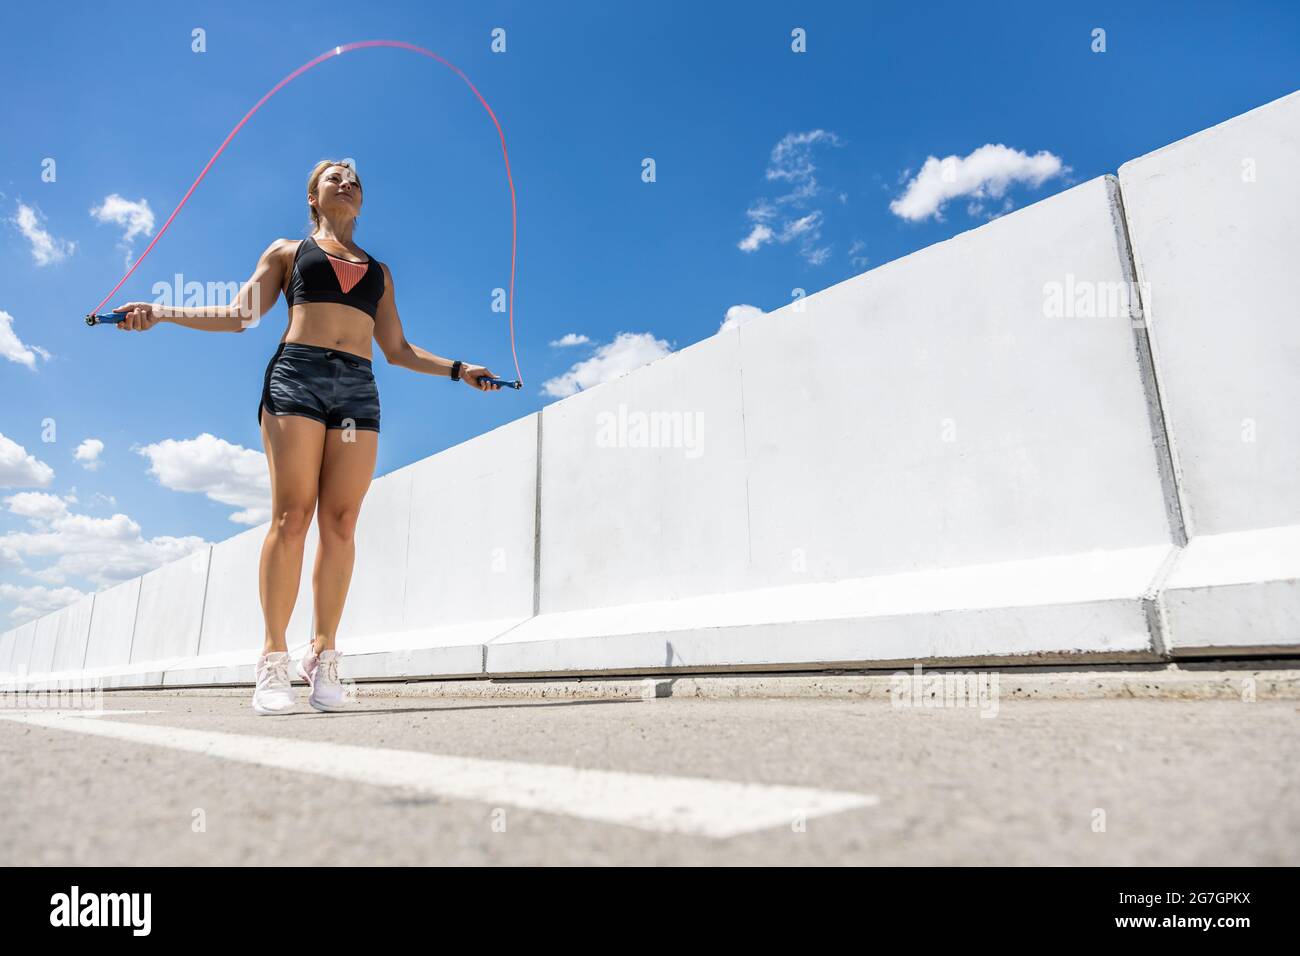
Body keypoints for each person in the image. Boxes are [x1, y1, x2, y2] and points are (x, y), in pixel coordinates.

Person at [110, 159, 501, 715]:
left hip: (357, 389)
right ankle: (272, 660)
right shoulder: (288, 252)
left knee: (341, 521)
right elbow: (239, 315)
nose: (347, 183)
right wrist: (161, 311)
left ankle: (322, 655)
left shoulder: (380, 272)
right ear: (313, 198)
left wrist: (459, 368)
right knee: (293, 516)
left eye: (356, 179)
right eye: (334, 178)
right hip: (297, 376)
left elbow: (397, 350)